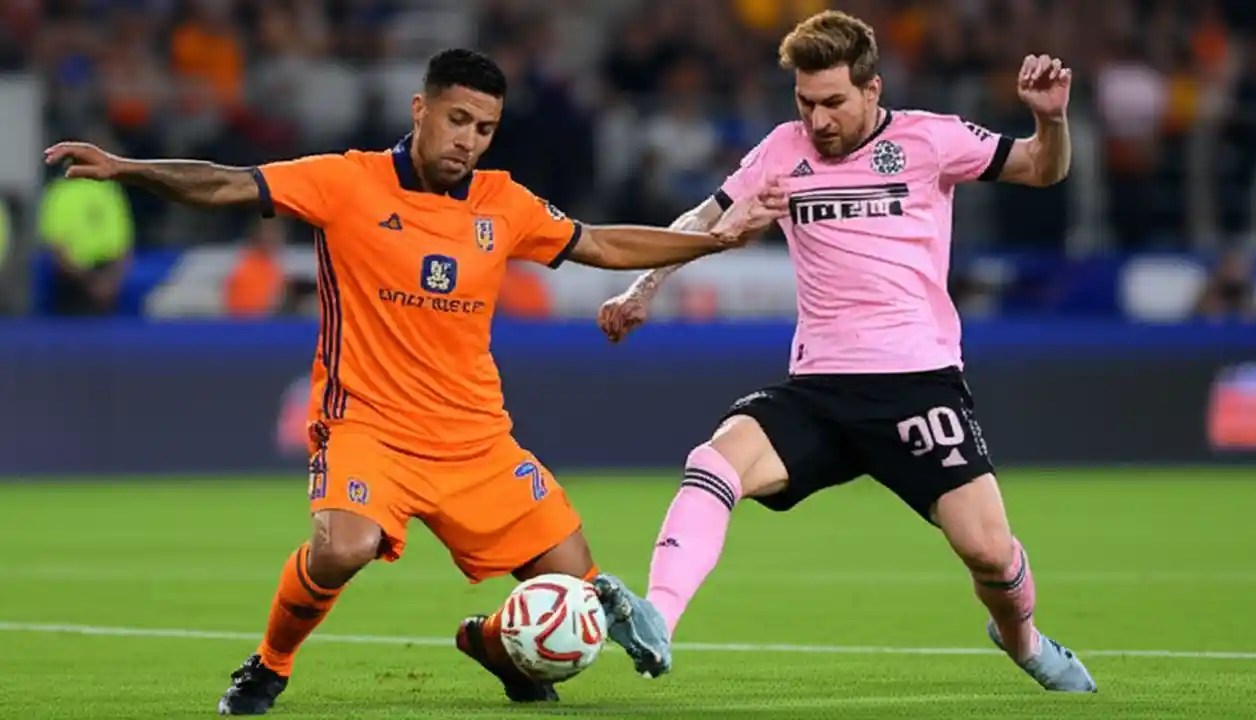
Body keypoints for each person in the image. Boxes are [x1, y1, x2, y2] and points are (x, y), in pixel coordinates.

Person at [45, 48, 786, 715]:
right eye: (458, 120)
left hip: (476, 441)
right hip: (368, 427)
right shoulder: (345, 181)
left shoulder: (503, 203)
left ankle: (495, 646)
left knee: (576, 596)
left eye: (485, 128)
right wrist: (129, 169)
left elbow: (598, 243)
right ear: (420, 110)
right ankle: (269, 666)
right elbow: (227, 185)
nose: (469, 140)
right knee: (343, 547)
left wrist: (711, 241)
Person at [597, 11, 1096, 692]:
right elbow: (702, 220)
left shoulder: (931, 139)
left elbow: (1042, 167)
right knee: (714, 461)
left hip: (917, 385)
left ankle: (1026, 642)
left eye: (833, 102)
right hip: (821, 388)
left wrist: (1051, 120)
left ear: (872, 89)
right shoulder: (782, 149)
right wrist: (643, 288)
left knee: (989, 553)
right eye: (805, 103)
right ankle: (658, 617)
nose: (818, 120)